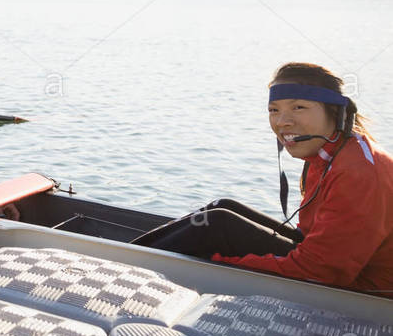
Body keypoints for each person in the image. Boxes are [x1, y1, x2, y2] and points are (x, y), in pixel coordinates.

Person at [136, 63, 393, 296]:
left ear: (335, 113)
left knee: (216, 225)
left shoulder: (358, 172)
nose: (282, 122)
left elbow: (322, 273)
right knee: (222, 208)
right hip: (329, 264)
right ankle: (126, 255)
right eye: (274, 110)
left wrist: (218, 265)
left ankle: (123, 265)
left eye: (298, 107)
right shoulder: (330, 151)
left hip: (365, 296)